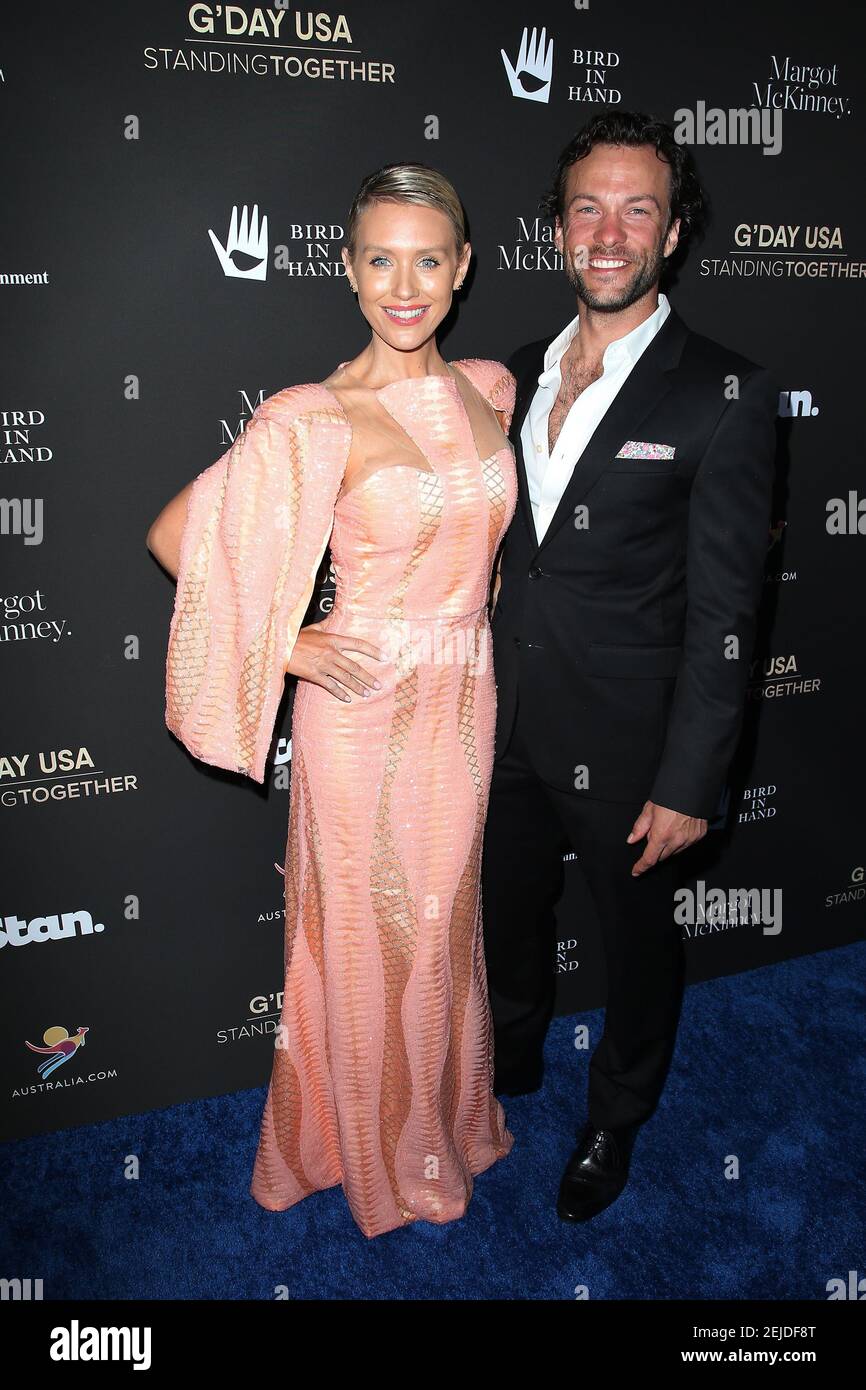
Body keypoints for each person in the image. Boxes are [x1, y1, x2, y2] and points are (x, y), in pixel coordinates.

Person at [146, 163, 517, 1240]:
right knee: (360, 930)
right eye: (378, 259)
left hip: (462, 700)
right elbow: (177, 536)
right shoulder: (311, 418)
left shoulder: (488, 388)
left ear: (461, 270)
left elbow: (479, 549)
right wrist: (289, 644)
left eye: (427, 260)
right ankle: (367, 1157)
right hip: (359, 716)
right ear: (349, 270)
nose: (403, 284)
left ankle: (444, 1121)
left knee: (442, 922)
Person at [482, 112, 779, 1222]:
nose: (607, 233)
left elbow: (726, 612)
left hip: (631, 743)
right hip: (498, 726)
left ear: (673, 228)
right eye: (585, 208)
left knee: (637, 949)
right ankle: (509, 1068)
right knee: (504, 919)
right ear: (556, 227)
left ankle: (616, 1115)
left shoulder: (726, 393)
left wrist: (689, 778)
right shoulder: (509, 375)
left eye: (636, 208)